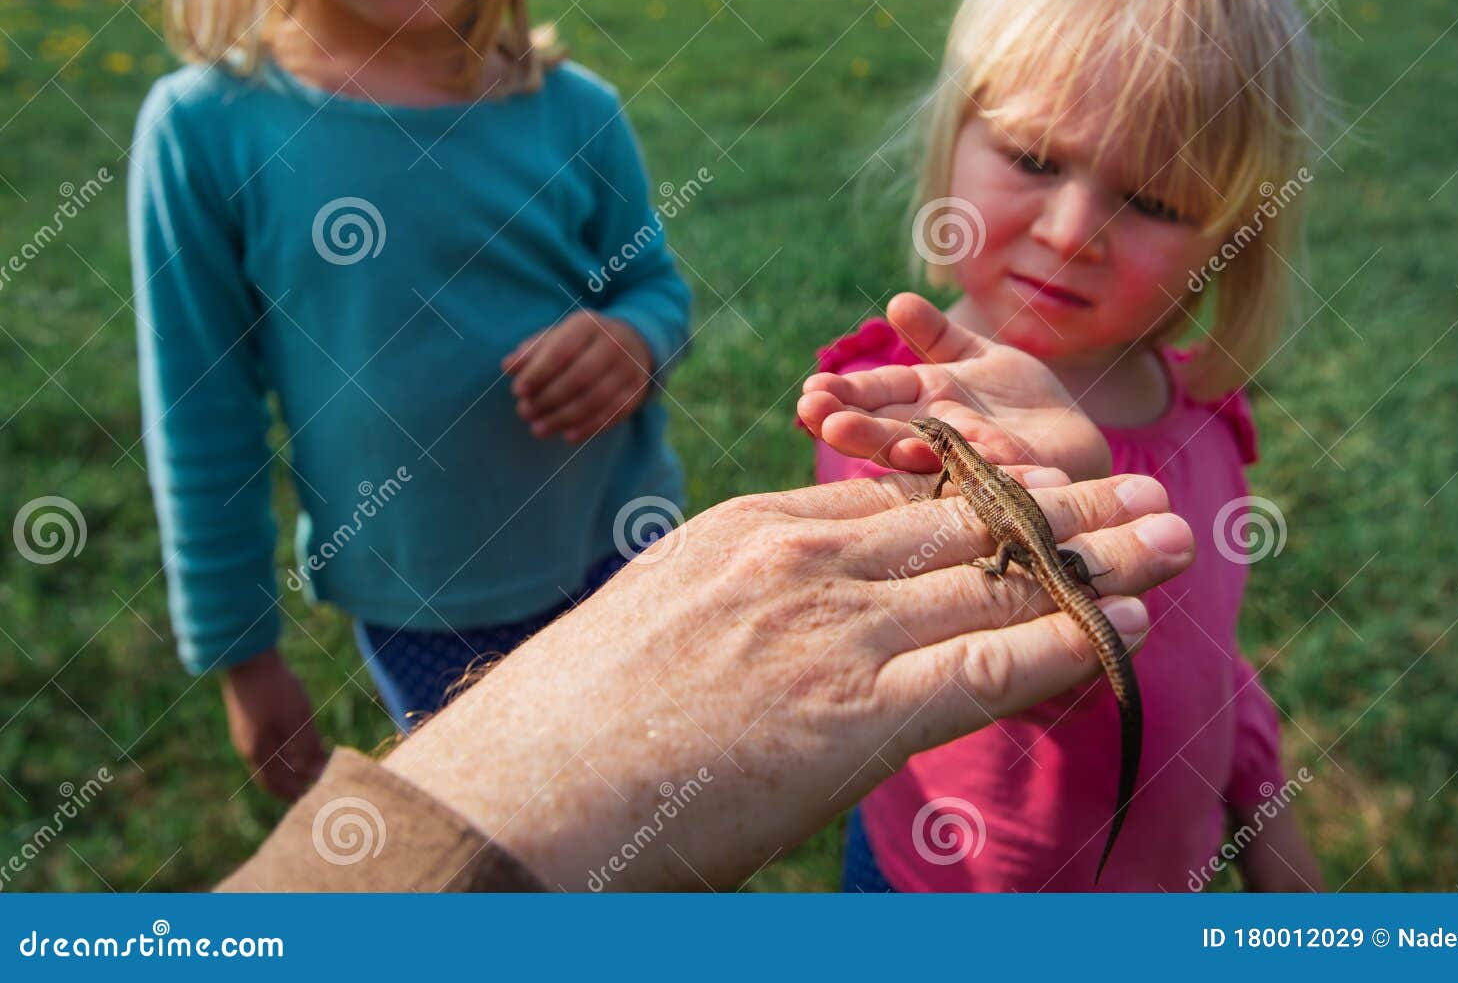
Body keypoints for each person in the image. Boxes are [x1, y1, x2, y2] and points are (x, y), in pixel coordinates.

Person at [219, 304, 1197, 890]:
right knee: (1048, 576)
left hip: (1026, 545)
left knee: (1025, 573)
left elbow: (977, 508)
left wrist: (999, 563)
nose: (936, 453)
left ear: (946, 454)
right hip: (1034, 543)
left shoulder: (959, 472)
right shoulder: (961, 466)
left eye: (937, 446)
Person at [128, 0, 691, 797]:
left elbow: (656, 285)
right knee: (500, 835)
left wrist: (632, 339)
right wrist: (241, 654)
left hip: (621, 557)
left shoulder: (574, 111)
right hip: (421, 607)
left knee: (644, 813)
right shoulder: (205, 133)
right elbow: (200, 419)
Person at [797, 0, 1326, 892]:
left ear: (1230, 244)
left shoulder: (1207, 423)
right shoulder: (901, 411)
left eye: (1156, 202)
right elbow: (894, 647)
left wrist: (1260, 803)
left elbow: (1213, 659)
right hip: (944, 883)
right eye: (1035, 158)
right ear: (954, 136)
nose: (1074, 229)